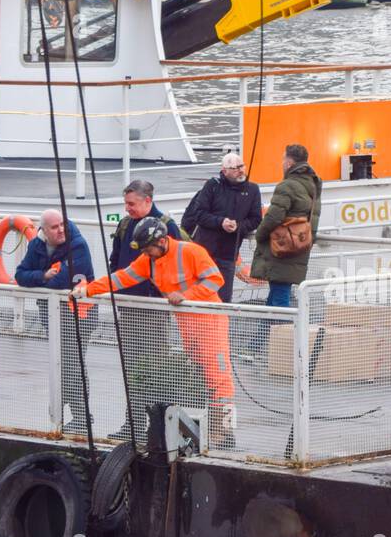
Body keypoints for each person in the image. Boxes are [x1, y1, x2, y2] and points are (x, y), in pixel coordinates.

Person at [73, 218, 236, 449]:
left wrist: (187, 295)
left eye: (149, 248)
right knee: (201, 379)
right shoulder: (148, 260)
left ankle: (226, 434)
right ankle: (207, 434)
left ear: (162, 241)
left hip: (211, 324)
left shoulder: (191, 251)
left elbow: (215, 280)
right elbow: (120, 278)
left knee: (220, 381)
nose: (147, 254)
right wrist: (88, 289)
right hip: (188, 327)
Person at [105, 180, 181, 440]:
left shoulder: (167, 226)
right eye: (126, 204)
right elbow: (116, 260)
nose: (128, 209)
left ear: (147, 200)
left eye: (132, 204)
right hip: (128, 307)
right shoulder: (126, 225)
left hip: (154, 309)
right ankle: (133, 422)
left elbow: (174, 262)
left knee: (154, 367)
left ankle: (157, 425)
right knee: (131, 366)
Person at [15, 209, 96, 434]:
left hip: (79, 314)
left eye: (62, 224)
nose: (61, 230)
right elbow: (20, 275)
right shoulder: (37, 245)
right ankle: (72, 414)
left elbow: (62, 282)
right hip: (52, 314)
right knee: (63, 364)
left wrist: (42, 278)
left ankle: (81, 417)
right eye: (54, 227)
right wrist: (43, 276)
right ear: (44, 230)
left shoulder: (77, 245)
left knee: (71, 364)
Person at [180, 153, 262, 303]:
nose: (241, 170)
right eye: (235, 168)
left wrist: (238, 226)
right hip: (205, 251)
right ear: (224, 171)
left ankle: (222, 326)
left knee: (223, 300)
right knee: (201, 296)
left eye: (242, 166)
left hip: (229, 254)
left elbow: (256, 219)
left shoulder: (252, 189)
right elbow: (199, 214)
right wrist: (221, 222)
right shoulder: (212, 185)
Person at [251, 143, 323, 309]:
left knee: (280, 299)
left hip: (282, 248)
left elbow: (273, 217)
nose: (282, 163)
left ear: (289, 163)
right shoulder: (313, 184)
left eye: (283, 159)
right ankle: (266, 334)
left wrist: (259, 234)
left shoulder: (287, 185)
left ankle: (284, 333)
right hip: (299, 245)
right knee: (276, 295)